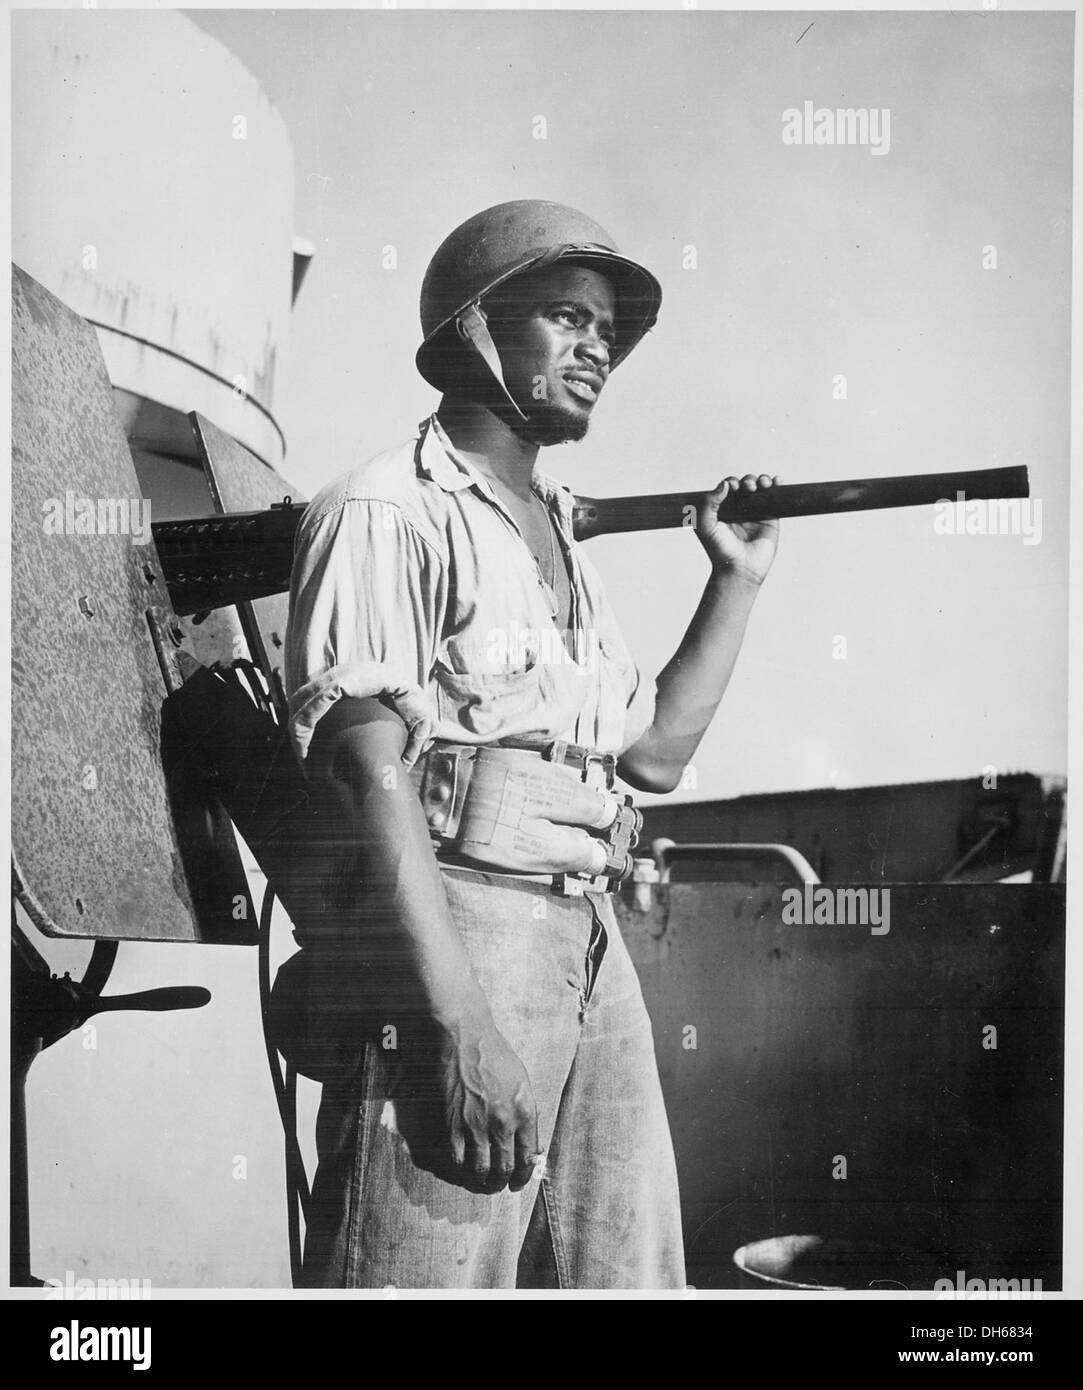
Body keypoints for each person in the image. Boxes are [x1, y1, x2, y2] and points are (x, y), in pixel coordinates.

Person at [283, 200, 780, 1289]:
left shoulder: (560, 534)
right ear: (475, 332)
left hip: (586, 934)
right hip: (460, 929)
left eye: (607, 328)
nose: (599, 346)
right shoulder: (384, 507)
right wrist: (455, 1026)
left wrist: (732, 582)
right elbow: (370, 770)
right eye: (567, 316)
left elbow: (648, 753)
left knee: (628, 1277)